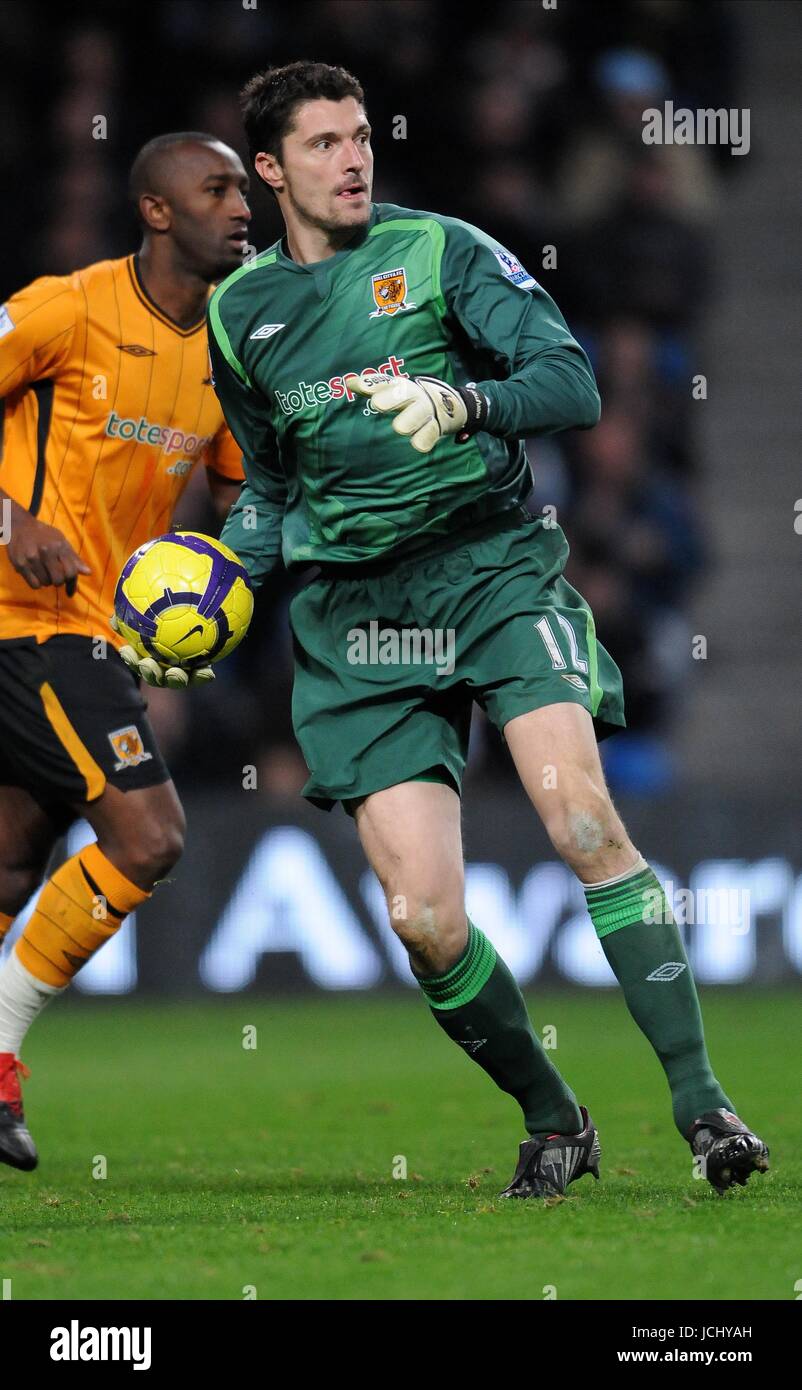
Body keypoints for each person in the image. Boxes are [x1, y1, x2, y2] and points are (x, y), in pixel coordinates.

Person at [206, 61, 768, 1199]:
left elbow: (570, 382)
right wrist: (217, 576)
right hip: (352, 619)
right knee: (421, 920)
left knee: (579, 817)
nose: (353, 158)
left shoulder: (441, 252)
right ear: (268, 170)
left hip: (489, 571)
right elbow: (268, 487)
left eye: (360, 136)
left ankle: (703, 1104)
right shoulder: (239, 312)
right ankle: (554, 1116)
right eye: (322, 144)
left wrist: (464, 400)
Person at [0, 132, 251, 1170]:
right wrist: (8, 520)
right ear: (156, 210)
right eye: (218, 187)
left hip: (102, 629)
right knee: (149, 837)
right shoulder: (66, 307)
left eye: (245, 187)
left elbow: (240, 500)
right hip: (24, 616)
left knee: (12, 864)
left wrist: (215, 594)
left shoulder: (232, 351)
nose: (243, 204)